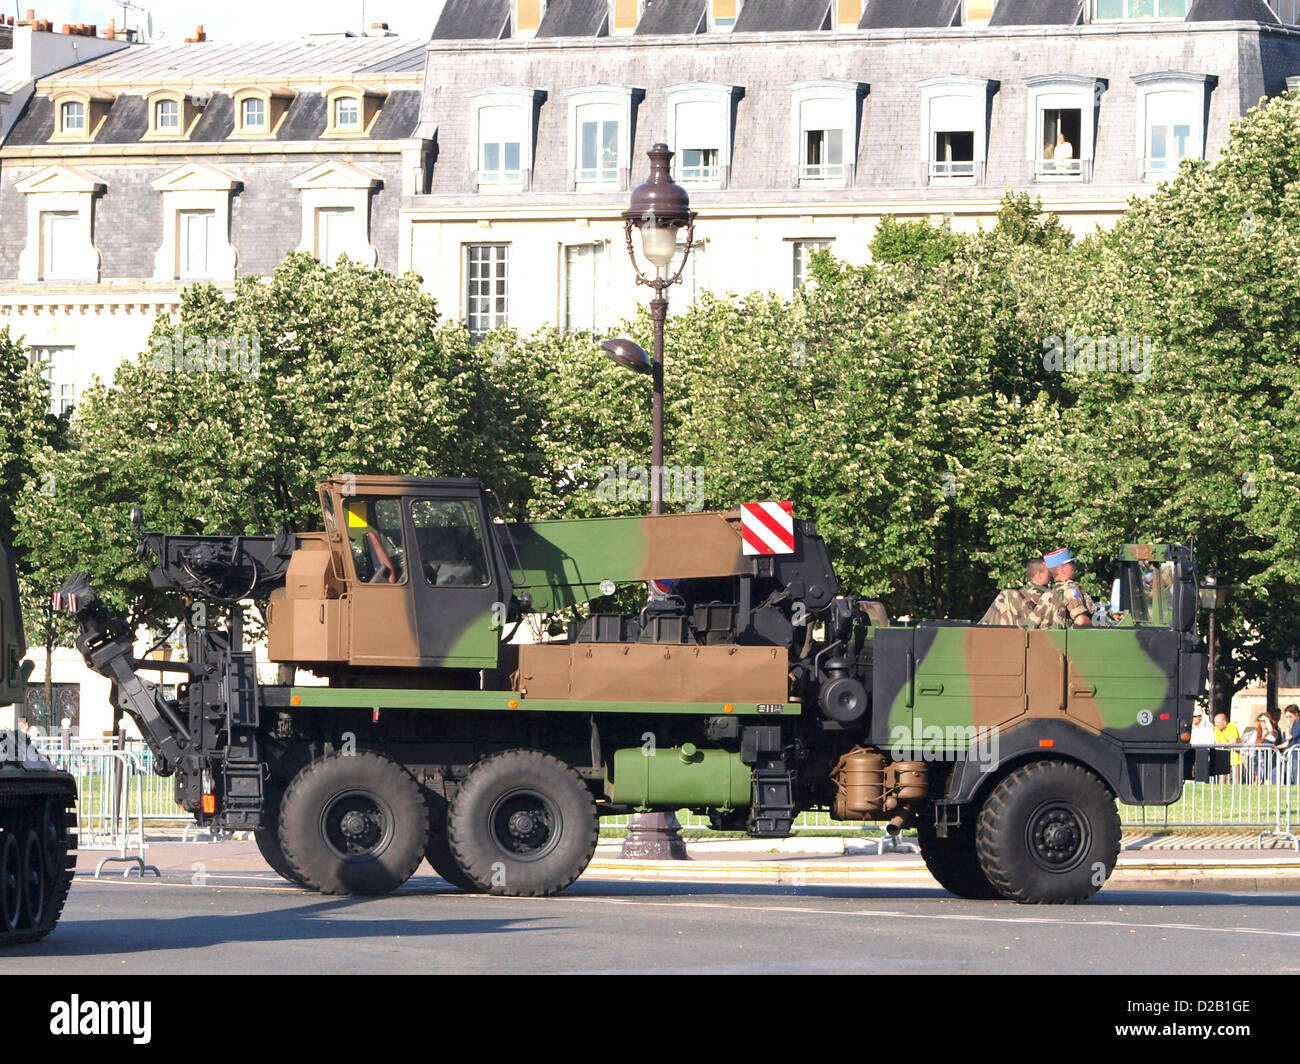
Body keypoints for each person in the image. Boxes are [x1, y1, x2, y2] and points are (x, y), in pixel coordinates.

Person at [978, 559, 1049, 626]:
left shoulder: (1012, 596)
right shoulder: (1047, 596)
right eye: (1049, 572)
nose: (1051, 575)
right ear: (1040, 575)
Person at [1041, 548, 1095, 628]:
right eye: (1071, 563)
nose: (1074, 566)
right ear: (1063, 570)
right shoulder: (1070, 589)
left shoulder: (1047, 594)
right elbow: (1081, 620)